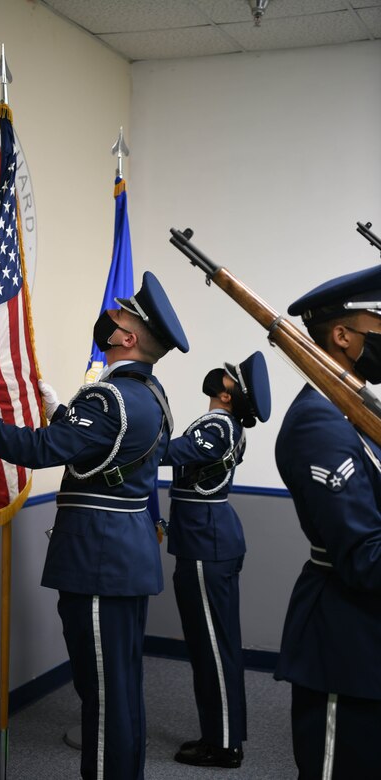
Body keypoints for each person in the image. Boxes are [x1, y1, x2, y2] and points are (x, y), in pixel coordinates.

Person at [0, 271, 189, 780]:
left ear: (128, 337)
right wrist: (63, 413)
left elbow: (37, 452)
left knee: (101, 693)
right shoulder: (152, 396)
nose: (111, 317)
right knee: (120, 687)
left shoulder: (109, 399)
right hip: (126, 558)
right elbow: (110, 459)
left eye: (120, 315)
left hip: (99, 563)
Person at [274, 264, 381, 779]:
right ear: (342, 335)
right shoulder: (319, 423)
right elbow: (365, 560)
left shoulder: (358, 410)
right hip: (346, 641)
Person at [161, 352, 271, 769]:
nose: (220, 372)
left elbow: (175, 452)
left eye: (228, 375)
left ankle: (223, 746)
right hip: (207, 538)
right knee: (215, 644)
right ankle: (222, 735)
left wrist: (132, 435)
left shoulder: (217, 425)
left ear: (227, 394)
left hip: (207, 542)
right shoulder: (226, 424)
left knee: (212, 647)